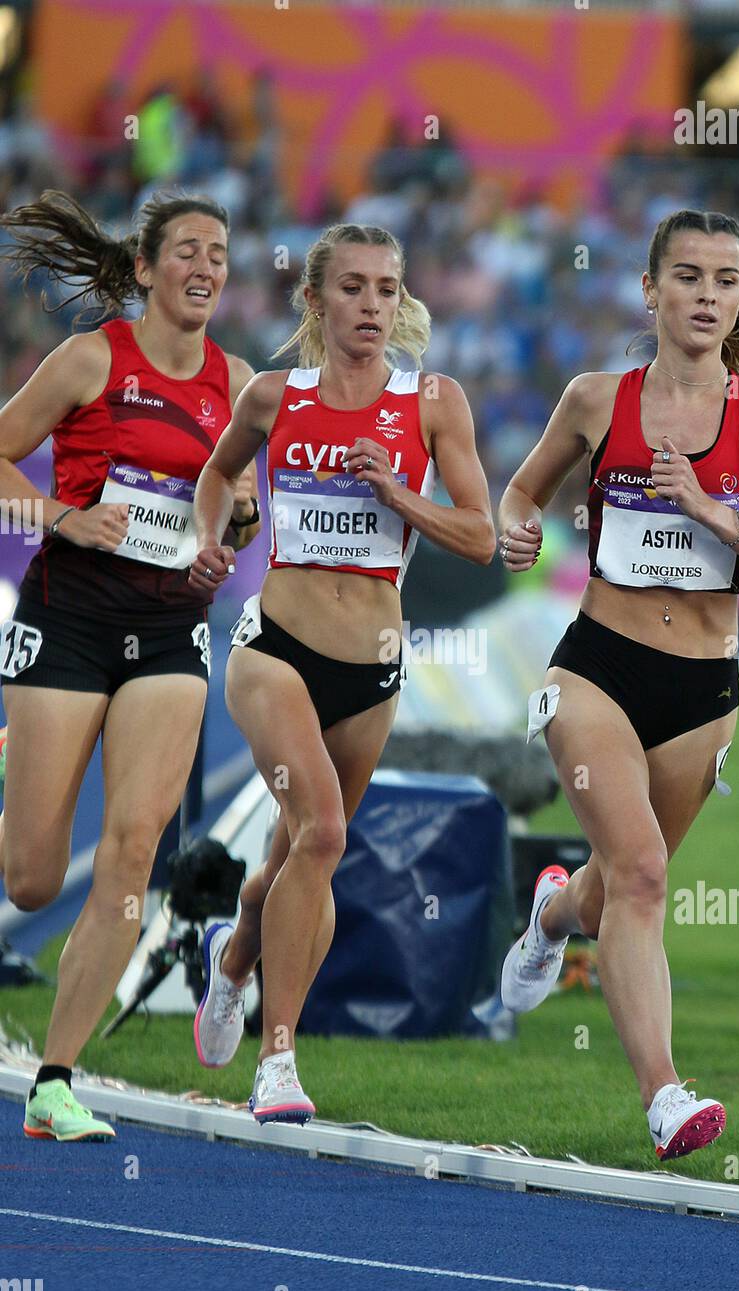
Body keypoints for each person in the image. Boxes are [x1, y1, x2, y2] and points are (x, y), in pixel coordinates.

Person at [498, 209, 739, 1161]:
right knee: (643, 875)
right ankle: (664, 1098)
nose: (708, 297)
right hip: (598, 664)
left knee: (615, 892)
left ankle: (552, 914)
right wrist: (518, 528)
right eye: (688, 277)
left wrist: (715, 515)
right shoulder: (597, 399)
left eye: (726, 281)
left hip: (702, 691)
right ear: (650, 290)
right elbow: (522, 494)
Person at [190, 222, 495, 1122]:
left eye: (387, 290)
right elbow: (217, 478)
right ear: (316, 300)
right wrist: (214, 538)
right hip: (273, 650)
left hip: (372, 672)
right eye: (354, 288)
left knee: (293, 857)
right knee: (323, 834)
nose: (372, 305)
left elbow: (481, 538)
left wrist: (400, 494)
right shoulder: (271, 396)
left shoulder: (434, 402)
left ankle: (235, 957)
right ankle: (278, 1060)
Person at [0, 189, 260, 1141]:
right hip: (68, 620)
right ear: (147, 269)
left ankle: (54, 1080)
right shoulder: (92, 357)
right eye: (187, 251)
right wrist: (63, 517)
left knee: (134, 848)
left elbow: (236, 505)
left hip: (170, 631)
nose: (206, 268)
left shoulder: (237, 381)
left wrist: (226, 531)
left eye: (221, 254)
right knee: (30, 877)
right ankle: (14, 754)